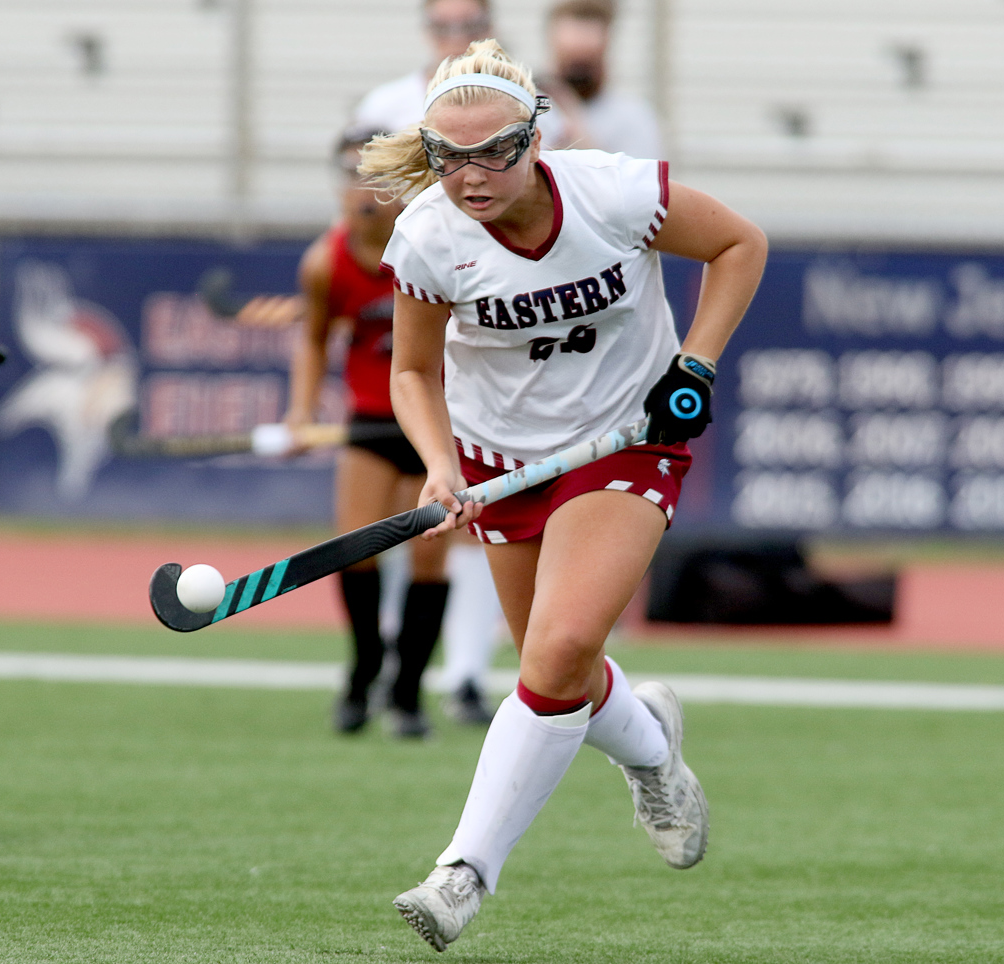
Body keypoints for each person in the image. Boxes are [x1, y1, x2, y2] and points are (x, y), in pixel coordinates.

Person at [359, 39, 766, 950]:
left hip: (626, 440)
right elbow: (414, 374)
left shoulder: (613, 193)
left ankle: (461, 872)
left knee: (559, 649)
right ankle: (654, 749)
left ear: (534, 136)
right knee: (566, 677)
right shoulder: (428, 236)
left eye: (494, 150)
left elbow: (741, 244)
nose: (471, 175)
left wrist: (694, 361)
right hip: (502, 461)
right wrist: (440, 465)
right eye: (449, 155)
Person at [352, 0, 523, 729]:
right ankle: (379, 676)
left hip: (510, 381)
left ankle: (461, 678)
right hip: (425, 381)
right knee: (414, 536)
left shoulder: (534, 110)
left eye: (469, 19)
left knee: (482, 564)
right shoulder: (387, 112)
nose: (472, 174)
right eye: (442, 21)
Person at [283, 130, 450, 739]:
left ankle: (407, 693)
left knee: (430, 556)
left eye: (377, 179)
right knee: (354, 546)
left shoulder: (435, 243)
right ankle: (362, 671)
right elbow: (313, 337)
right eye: (351, 176)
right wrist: (300, 413)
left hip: (434, 417)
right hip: (371, 417)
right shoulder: (326, 262)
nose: (364, 192)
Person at [544, 0, 662, 157]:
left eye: (586, 61)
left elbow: (638, 179)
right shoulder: (530, 114)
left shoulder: (633, 119)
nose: (578, 73)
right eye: (570, 60)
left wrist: (573, 120)